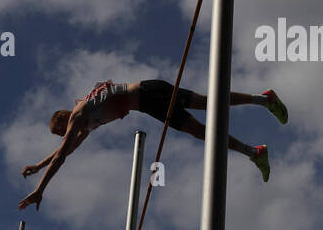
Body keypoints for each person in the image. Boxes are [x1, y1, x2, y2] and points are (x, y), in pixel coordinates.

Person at [18, 80, 288, 210]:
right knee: (200, 132)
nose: (65, 136)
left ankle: (265, 99)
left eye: (62, 132)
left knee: (208, 104)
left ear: (65, 119)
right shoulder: (85, 121)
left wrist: (40, 188)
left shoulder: (80, 115)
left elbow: (62, 154)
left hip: (149, 92)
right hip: (148, 105)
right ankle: (255, 152)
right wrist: (38, 165)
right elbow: (65, 151)